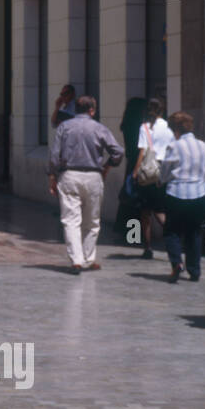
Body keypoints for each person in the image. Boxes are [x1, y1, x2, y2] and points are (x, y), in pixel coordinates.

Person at [48, 94, 124, 274]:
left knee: (71, 220)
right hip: (93, 176)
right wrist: (107, 166)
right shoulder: (99, 128)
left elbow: (54, 154)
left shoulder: (64, 127)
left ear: (76, 109)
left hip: (69, 175)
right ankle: (88, 259)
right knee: (92, 221)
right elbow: (118, 152)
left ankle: (76, 260)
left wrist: (52, 176)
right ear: (92, 110)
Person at [159, 111, 205, 283]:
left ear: (176, 130)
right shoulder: (203, 145)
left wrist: (161, 181)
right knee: (194, 233)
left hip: (177, 193)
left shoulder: (174, 147)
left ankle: (176, 263)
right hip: (199, 193)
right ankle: (194, 270)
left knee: (171, 231)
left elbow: (165, 172)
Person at [132, 96, 175, 259]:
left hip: (149, 171)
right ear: (162, 110)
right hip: (163, 171)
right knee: (160, 208)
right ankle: (172, 239)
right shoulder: (169, 127)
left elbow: (142, 152)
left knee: (145, 212)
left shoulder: (145, 127)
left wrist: (135, 172)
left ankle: (147, 247)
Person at [115, 96, 149, 237]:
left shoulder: (127, 124)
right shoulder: (140, 127)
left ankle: (129, 234)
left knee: (129, 200)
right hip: (139, 164)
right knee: (136, 202)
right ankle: (133, 235)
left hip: (131, 163)